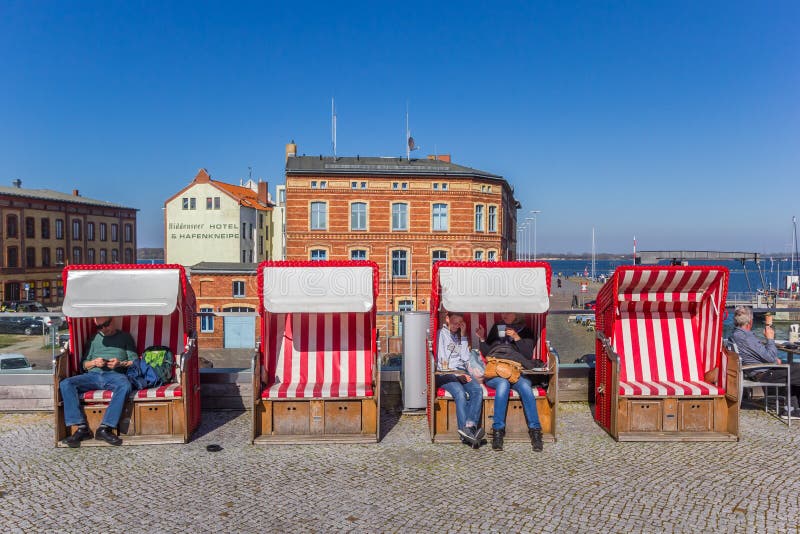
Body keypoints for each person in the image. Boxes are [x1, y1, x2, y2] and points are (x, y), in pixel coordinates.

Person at [59, 317, 138, 447]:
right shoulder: (94, 339)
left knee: (125, 385)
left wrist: (120, 363)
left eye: (106, 324)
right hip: (93, 375)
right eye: (99, 327)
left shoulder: (125, 337)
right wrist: (94, 362)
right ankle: (81, 427)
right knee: (66, 383)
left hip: (115, 375)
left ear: (113, 321)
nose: (103, 329)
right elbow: (84, 364)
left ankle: (105, 428)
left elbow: (134, 362)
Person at [476, 312, 543, 451]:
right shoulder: (497, 327)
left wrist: (516, 337)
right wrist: (482, 338)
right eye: (503, 312)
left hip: (515, 371)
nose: (504, 314)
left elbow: (527, 355)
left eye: (508, 312)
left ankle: (535, 431)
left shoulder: (526, 331)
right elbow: (489, 352)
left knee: (525, 387)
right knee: (503, 384)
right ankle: (498, 432)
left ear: (517, 315)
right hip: (496, 371)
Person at [729, 306, 800, 417]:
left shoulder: (735, 335)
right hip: (764, 374)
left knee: (795, 369)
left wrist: (772, 358)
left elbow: (761, 355)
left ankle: (792, 409)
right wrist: (770, 339)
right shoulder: (746, 338)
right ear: (750, 322)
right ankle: (791, 409)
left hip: (757, 371)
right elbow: (771, 358)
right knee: (797, 370)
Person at [436, 311, 485, 447]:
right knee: (460, 393)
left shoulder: (459, 336)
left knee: (477, 390)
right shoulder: (441, 334)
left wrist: (463, 335)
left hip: (460, 372)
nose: (456, 326)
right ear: (447, 319)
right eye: (454, 322)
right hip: (445, 374)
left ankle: (469, 427)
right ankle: (466, 434)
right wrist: (457, 375)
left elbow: (464, 358)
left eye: (459, 323)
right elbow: (442, 361)